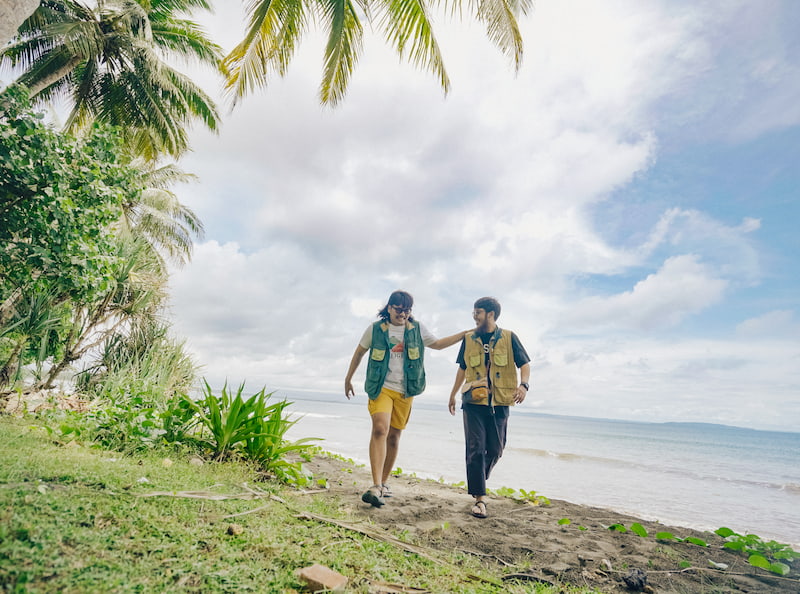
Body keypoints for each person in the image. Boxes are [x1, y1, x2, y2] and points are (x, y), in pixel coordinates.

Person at [345, 290, 467, 507]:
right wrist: (348, 378)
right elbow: (359, 353)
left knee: (393, 436)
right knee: (380, 429)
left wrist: (465, 334)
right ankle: (374, 485)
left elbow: (438, 344)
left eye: (407, 310)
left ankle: (383, 483)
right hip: (381, 387)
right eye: (399, 309)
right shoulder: (375, 329)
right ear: (389, 308)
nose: (403, 314)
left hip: (405, 390)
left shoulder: (417, 329)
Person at [448, 296, 531, 519]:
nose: (474, 316)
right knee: (475, 449)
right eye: (474, 312)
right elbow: (462, 368)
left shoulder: (509, 337)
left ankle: (478, 481)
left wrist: (523, 385)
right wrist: (453, 394)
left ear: (491, 314)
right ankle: (480, 499)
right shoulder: (468, 338)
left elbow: (524, 364)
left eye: (478, 312)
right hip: (473, 401)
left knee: (496, 449)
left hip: (500, 402)